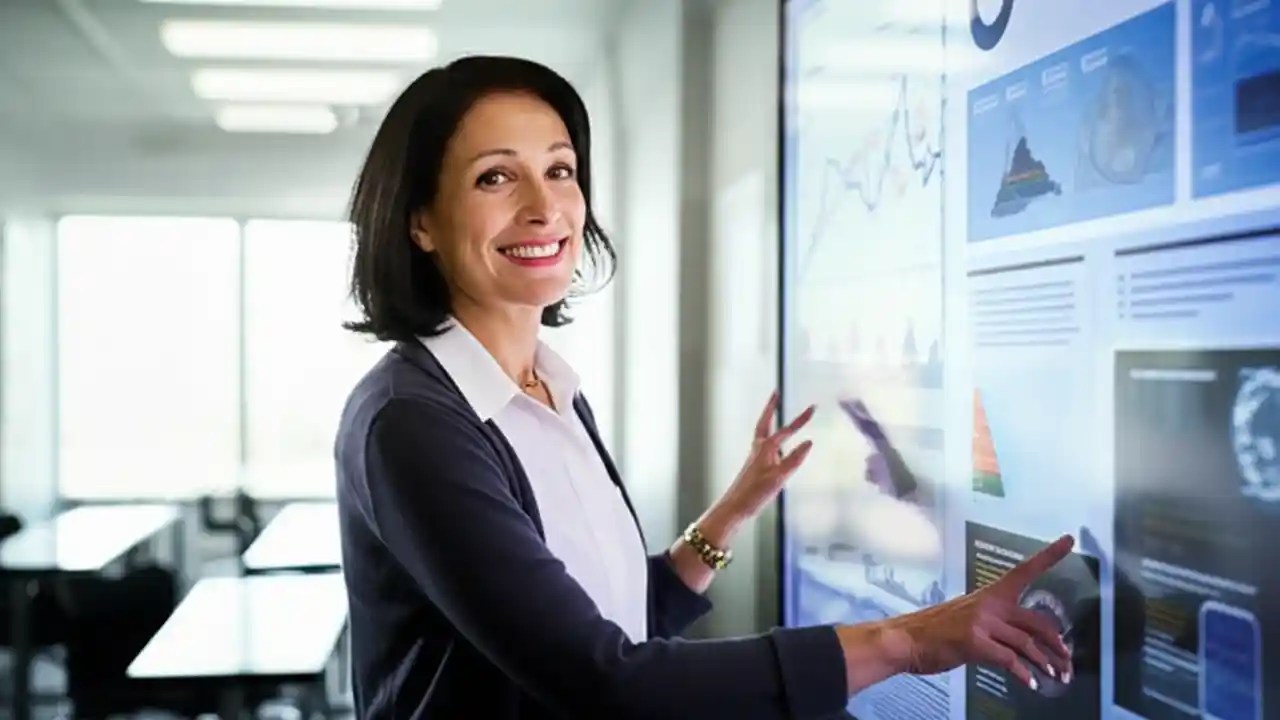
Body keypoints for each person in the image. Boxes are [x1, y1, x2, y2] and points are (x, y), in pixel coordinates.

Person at [334, 55, 1074, 720]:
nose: (543, 205)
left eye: (560, 170)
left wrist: (731, 512)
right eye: (495, 177)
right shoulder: (413, 422)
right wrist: (908, 640)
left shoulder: (548, 389)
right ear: (421, 221)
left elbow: (624, 618)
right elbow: (603, 680)